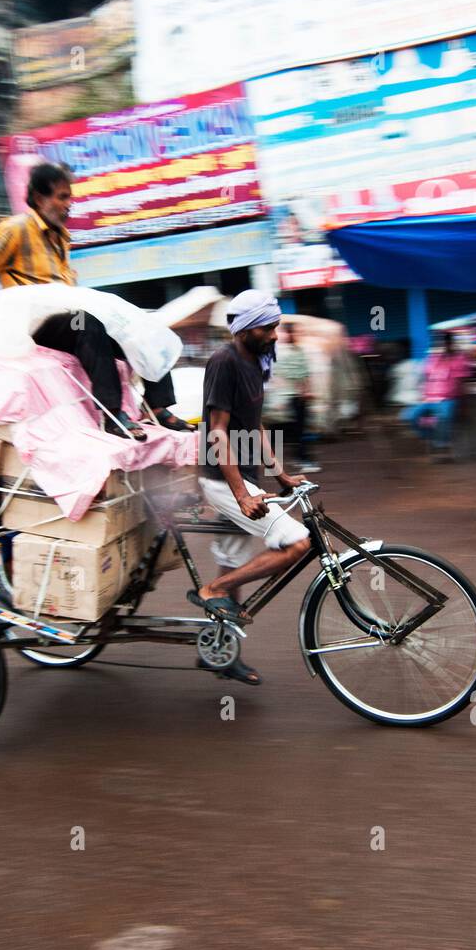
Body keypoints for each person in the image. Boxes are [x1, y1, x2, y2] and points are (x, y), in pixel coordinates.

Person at [0, 162, 188, 439]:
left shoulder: (60, 237)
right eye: (62, 197)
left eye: (70, 197)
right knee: (86, 324)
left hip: (63, 318)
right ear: (41, 198)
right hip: (33, 323)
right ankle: (113, 414)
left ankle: (157, 406)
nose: (69, 204)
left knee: (136, 326)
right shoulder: (16, 228)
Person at [190, 289, 311, 687]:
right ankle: (213, 589)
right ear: (244, 328)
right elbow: (218, 433)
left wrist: (280, 474)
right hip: (223, 480)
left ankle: (222, 654)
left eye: (276, 325)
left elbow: (254, 426)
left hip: (248, 477)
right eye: (268, 326)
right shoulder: (224, 361)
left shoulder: (255, 360)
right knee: (298, 543)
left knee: (234, 561)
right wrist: (241, 495)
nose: (275, 334)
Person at [400, 332, 471, 457]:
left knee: (443, 417)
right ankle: (432, 436)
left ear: (452, 344)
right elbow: (425, 379)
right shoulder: (433, 359)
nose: (444, 346)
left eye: (447, 343)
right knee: (408, 416)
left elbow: (462, 383)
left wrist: (464, 405)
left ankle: (442, 444)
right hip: (429, 399)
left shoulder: (460, 359)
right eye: (442, 344)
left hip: (448, 400)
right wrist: (423, 395)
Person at [270, 319, 319, 472]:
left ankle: (300, 459)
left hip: (297, 397)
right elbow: (279, 376)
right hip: (288, 398)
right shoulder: (280, 352)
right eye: (296, 332)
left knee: (296, 430)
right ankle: (300, 460)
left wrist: (307, 391)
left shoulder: (298, 351)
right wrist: (278, 398)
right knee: (291, 431)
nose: (298, 334)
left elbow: (304, 374)